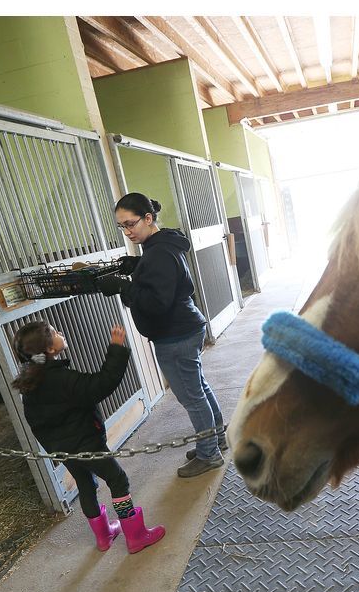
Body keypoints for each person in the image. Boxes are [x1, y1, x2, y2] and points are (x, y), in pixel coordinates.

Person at [96, 192, 226, 478]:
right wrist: (137, 269)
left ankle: (209, 454)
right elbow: (163, 281)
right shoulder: (162, 244)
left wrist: (123, 287)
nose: (128, 232)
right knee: (199, 388)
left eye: (131, 224)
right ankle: (216, 439)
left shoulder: (158, 253)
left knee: (192, 396)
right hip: (185, 326)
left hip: (174, 334)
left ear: (148, 218)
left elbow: (157, 303)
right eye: (122, 227)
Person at [12, 320, 165, 554]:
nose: (60, 332)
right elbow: (101, 384)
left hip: (60, 447)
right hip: (85, 442)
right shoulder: (61, 379)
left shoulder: (31, 380)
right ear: (50, 349)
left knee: (85, 483)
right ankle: (136, 536)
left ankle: (104, 536)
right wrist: (116, 348)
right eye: (55, 332)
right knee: (118, 480)